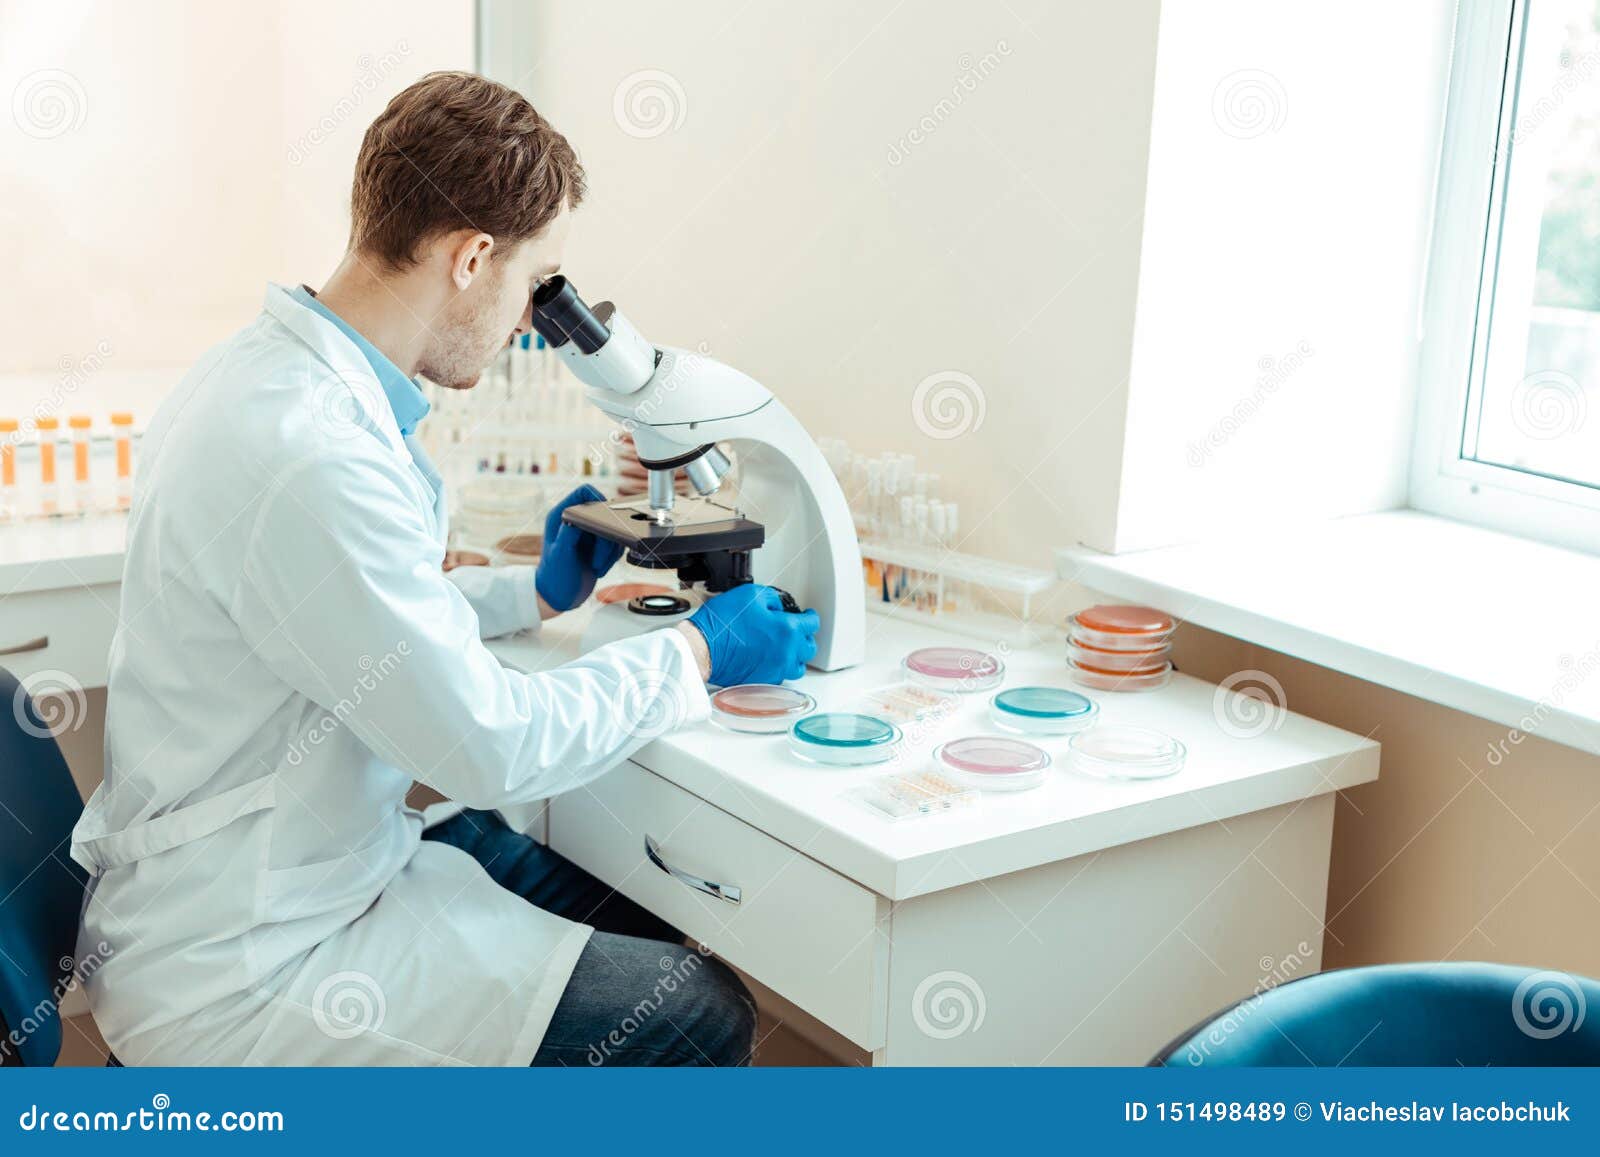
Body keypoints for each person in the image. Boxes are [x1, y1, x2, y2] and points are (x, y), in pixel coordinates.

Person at [69, 71, 819, 1067]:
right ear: (471, 257)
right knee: (698, 1009)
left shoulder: (259, 377)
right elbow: (490, 746)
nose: (527, 322)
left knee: (617, 904)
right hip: (250, 960)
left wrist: (534, 593)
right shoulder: (309, 449)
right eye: (531, 283)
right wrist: (695, 651)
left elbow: (342, 616)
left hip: (297, 869)